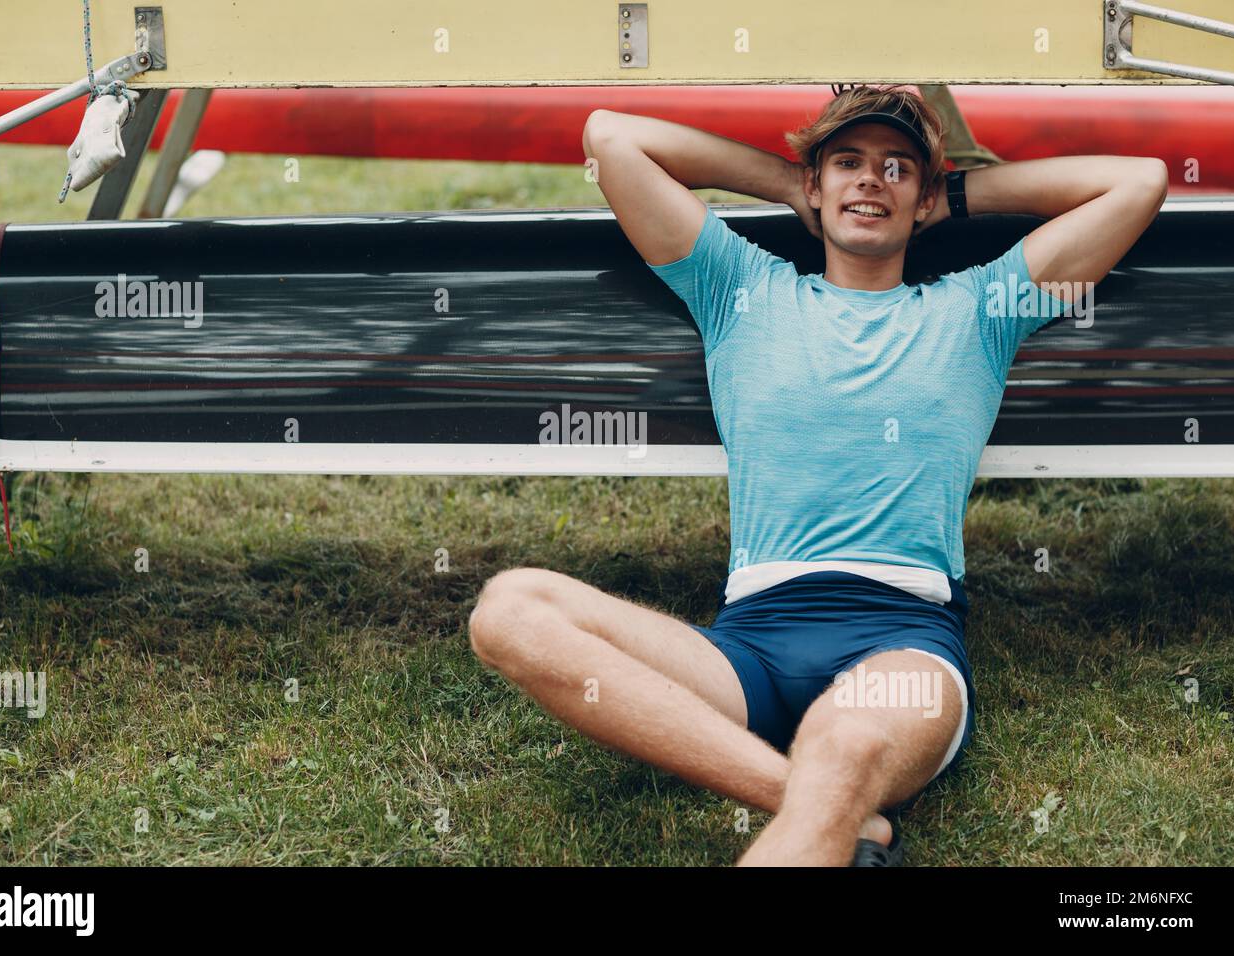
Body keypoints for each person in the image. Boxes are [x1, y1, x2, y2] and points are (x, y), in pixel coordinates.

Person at [467, 85, 1168, 866]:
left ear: (924, 194)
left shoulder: (981, 309)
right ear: (815, 183)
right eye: (848, 164)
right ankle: (823, 810)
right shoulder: (738, 287)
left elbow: (1137, 182)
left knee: (845, 749)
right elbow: (611, 138)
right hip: (747, 649)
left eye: (896, 168)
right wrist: (789, 181)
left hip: (901, 641)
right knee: (510, 611)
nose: (871, 181)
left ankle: (819, 798)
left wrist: (952, 196)